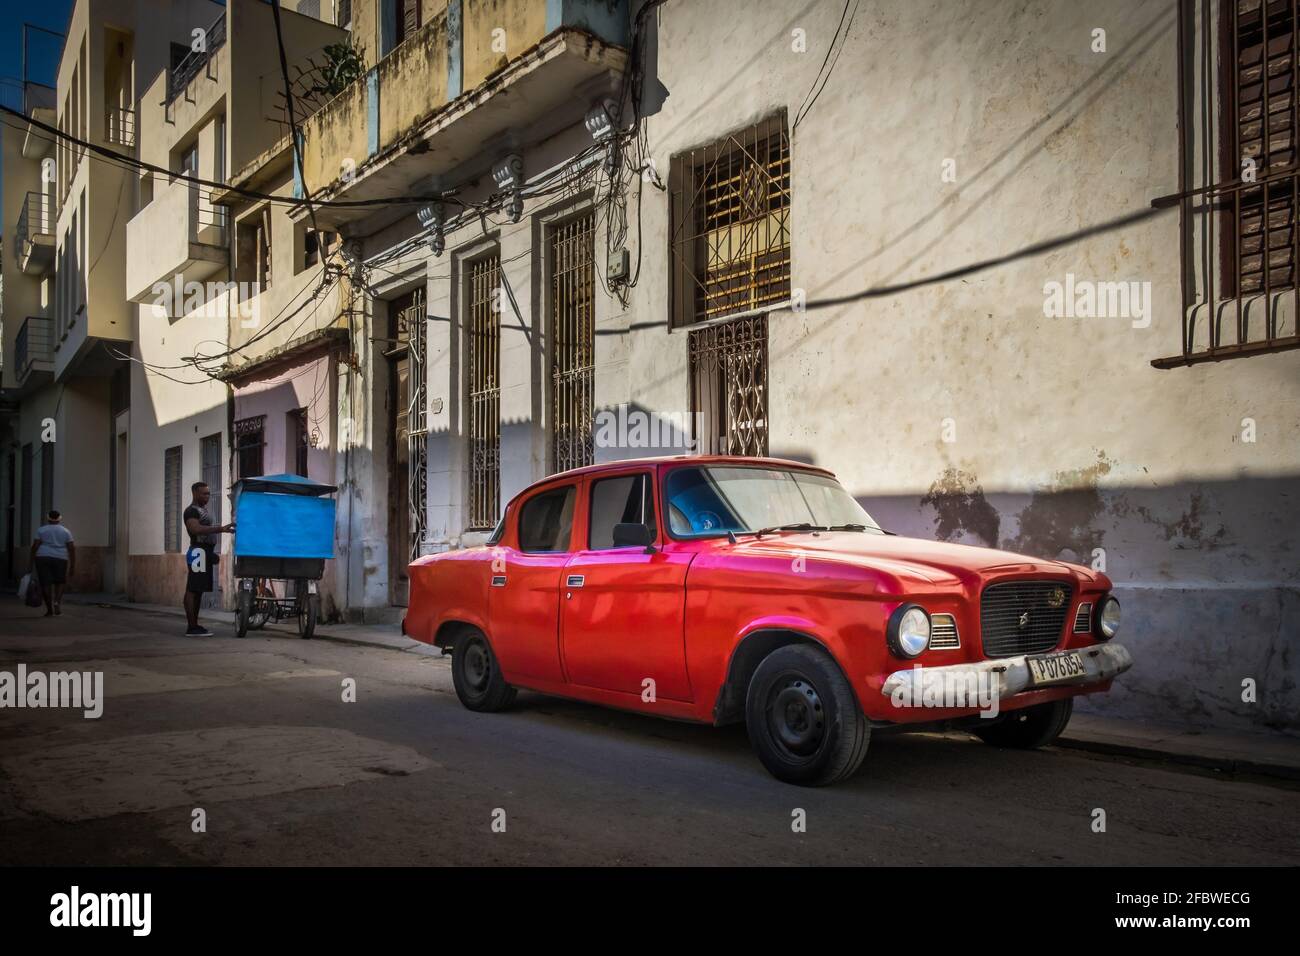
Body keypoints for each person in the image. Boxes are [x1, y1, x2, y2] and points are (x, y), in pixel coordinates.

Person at [183, 481, 234, 637]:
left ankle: (195, 625)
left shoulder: (202, 510)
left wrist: (211, 554)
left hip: (204, 551)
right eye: (204, 493)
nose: (207, 496)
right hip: (198, 551)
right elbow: (195, 529)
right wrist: (220, 529)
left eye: (208, 493)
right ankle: (192, 627)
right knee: (193, 589)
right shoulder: (191, 511)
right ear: (195, 493)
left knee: (198, 590)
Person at [31, 510, 75, 617]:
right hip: (60, 557)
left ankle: (49, 609)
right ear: (60, 519)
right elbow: (71, 549)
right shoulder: (66, 531)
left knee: (45, 583)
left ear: (48, 518)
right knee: (60, 582)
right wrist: (73, 565)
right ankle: (57, 602)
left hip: (42, 557)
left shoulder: (41, 530)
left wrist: (30, 561)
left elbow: (35, 546)